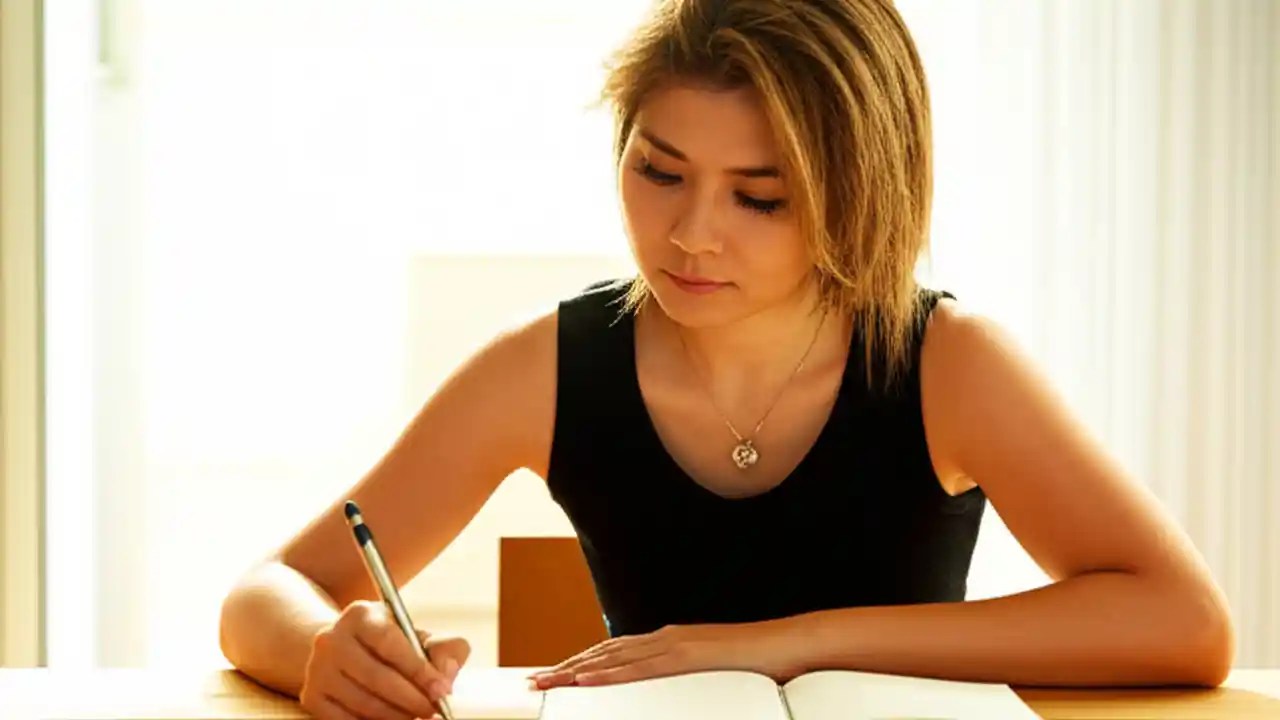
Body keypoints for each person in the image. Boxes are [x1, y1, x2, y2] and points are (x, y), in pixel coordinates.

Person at [218, 0, 1235, 717]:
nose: (691, 234)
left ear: (861, 189)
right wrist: (320, 647)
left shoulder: (945, 361)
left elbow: (1183, 624)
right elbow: (267, 589)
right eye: (658, 170)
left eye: (760, 196)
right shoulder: (545, 368)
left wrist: (786, 639)